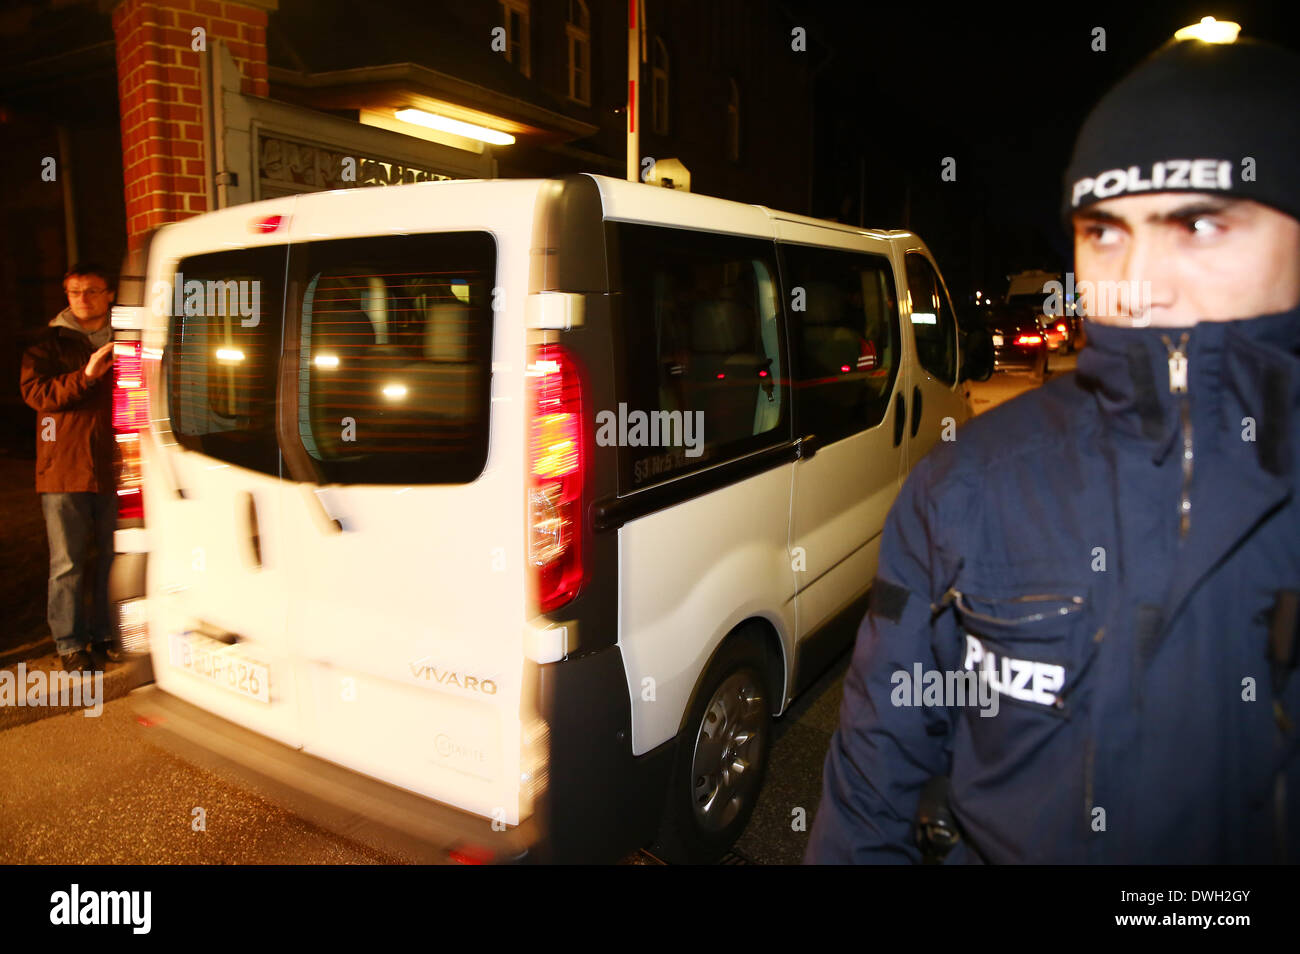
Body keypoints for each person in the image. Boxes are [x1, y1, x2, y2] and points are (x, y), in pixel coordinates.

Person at [805, 35, 1300, 863]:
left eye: (1202, 223)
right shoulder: (967, 482)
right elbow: (873, 770)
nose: (1139, 280)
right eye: (1105, 232)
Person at [20, 263, 127, 673]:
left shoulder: (126, 340)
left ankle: (105, 633)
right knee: (67, 562)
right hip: (62, 468)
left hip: (114, 466)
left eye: (92, 291)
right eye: (75, 291)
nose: (83, 299)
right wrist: (86, 375)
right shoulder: (47, 344)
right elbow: (38, 395)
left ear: (109, 294)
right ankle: (69, 642)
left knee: (113, 558)